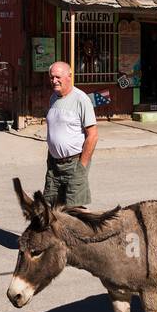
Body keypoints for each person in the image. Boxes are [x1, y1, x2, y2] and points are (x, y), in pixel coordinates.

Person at [44, 61, 98, 209]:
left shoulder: (81, 99)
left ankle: (89, 232)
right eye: (51, 77)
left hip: (74, 164)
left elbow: (92, 135)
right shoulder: (53, 98)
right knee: (53, 208)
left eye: (57, 77)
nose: (54, 81)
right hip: (54, 164)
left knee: (74, 210)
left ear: (69, 76)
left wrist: (82, 165)